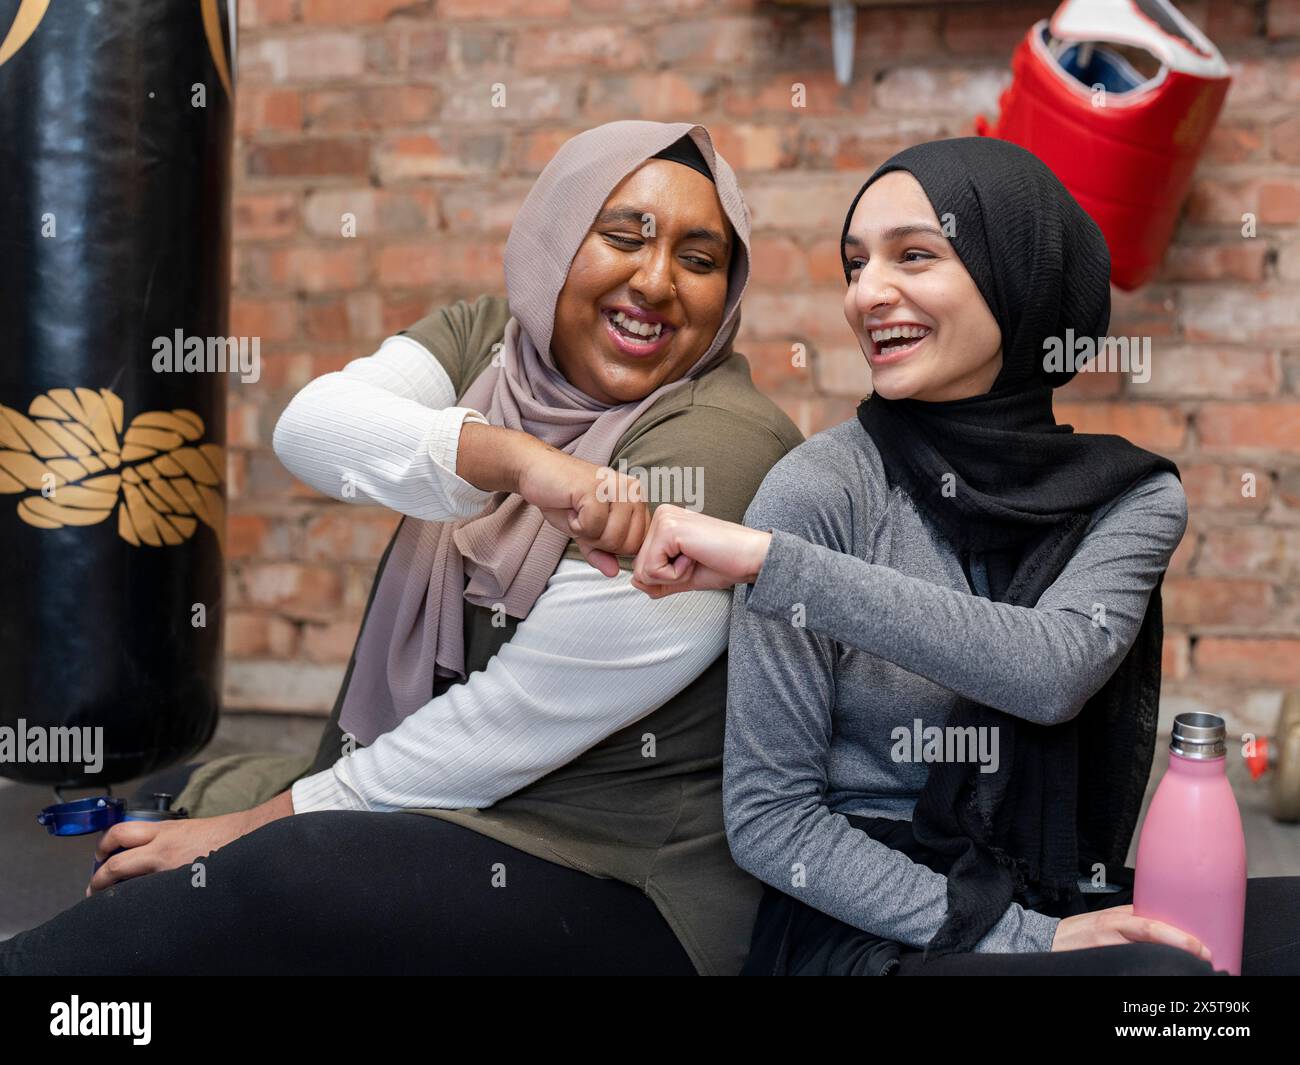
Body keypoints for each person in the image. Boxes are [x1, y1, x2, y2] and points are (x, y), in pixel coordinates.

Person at [0, 121, 803, 976]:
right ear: (559, 236)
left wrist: (245, 834)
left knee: (273, 867)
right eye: (623, 237)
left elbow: (504, 725)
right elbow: (312, 427)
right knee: (190, 821)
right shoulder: (491, 345)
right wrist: (523, 463)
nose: (655, 282)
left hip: (614, 875)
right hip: (453, 816)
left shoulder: (721, 445)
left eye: (700, 259)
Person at [628, 137, 1300, 976]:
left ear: (1016, 272)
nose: (869, 293)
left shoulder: (1129, 497)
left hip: (1045, 874)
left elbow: (1050, 667)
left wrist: (776, 564)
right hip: (873, 912)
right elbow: (771, 820)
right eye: (854, 265)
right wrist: (1030, 940)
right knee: (1165, 990)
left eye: (914, 255)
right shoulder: (818, 491)